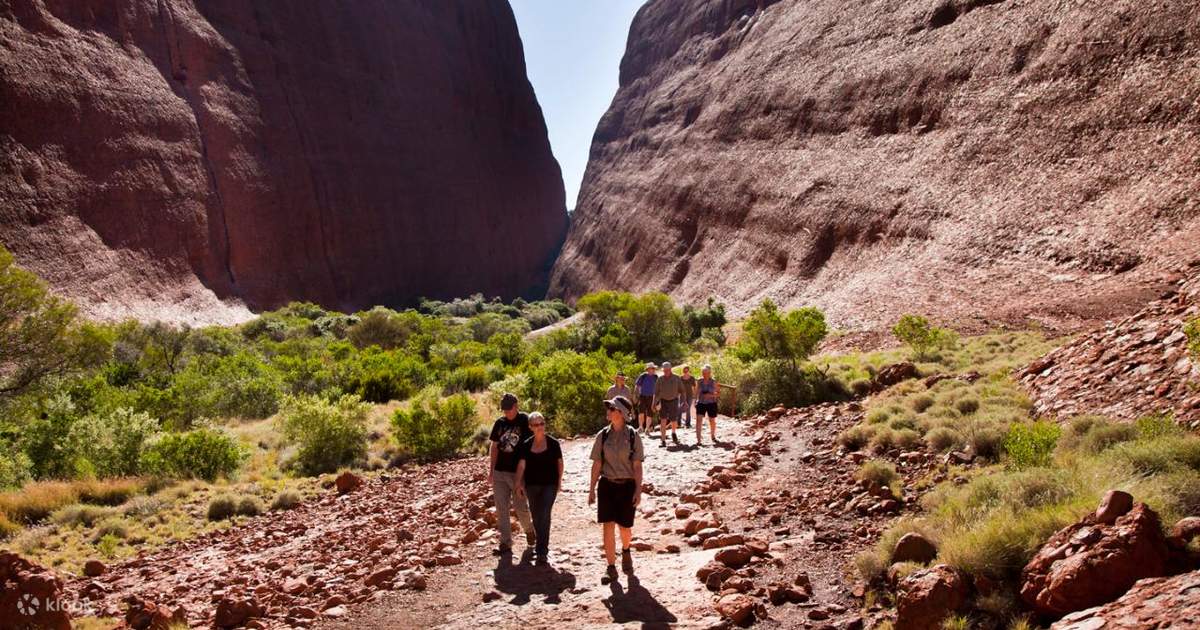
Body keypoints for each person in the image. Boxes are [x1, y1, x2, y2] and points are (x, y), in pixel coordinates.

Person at [588, 395, 645, 583]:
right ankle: (611, 567)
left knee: (625, 528)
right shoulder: (602, 435)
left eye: (612, 409)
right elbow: (597, 464)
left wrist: (638, 490)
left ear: (620, 413)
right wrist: (591, 489)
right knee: (608, 525)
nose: (608, 411)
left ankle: (626, 549)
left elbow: (637, 466)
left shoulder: (632, 435)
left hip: (627, 486)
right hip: (607, 485)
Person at [488, 393, 534, 554]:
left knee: (521, 507)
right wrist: (491, 470)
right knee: (501, 508)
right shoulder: (499, 423)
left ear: (516, 406)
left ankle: (529, 531)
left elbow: (532, 446)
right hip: (500, 472)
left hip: (518, 473)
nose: (506, 413)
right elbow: (494, 447)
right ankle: (505, 543)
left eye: (509, 409)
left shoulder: (525, 421)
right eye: (504, 410)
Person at [515, 412, 563, 566]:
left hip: (550, 484)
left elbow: (560, 463)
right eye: (536, 425)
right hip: (532, 485)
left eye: (542, 423)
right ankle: (539, 544)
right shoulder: (526, 444)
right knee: (536, 516)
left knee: (544, 513)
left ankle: (542, 550)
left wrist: (559, 481)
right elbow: (521, 465)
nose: (540, 427)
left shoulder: (553, 443)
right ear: (530, 427)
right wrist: (518, 484)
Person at [654, 361, 685, 447]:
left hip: (674, 401)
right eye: (664, 370)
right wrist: (653, 404)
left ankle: (673, 433)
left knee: (673, 420)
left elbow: (682, 390)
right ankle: (663, 440)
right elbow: (656, 393)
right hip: (663, 401)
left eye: (667, 370)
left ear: (670, 369)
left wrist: (684, 401)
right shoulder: (660, 379)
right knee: (663, 420)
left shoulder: (676, 378)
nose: (666, 371)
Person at [695, 364, 721, 445]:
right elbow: (697, 391)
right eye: (703, 373)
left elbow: (719, 393)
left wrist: (710, 395)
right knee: (699, 420)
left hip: (711, 403)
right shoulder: (699, 381)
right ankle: (699, 440)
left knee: (712, 420)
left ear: (710, 373)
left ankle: (712, 435)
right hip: (701, 402)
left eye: (706, 373)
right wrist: (696, 400)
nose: (705, 374)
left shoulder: (714, 382)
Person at [633, 363, 658, 434]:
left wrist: (657, 399)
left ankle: (647, 428)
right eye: (651, 368)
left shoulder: (656, 377)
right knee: (641, 412)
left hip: (651, 397)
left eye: (653, 368)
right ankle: (641, 427)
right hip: (642, 396)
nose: (653, 370)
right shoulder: (643, 376)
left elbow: (658, 388)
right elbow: (637, 386)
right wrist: (635, 395)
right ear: (648, 369)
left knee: (650, 413)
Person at [679, 365, 697, 430]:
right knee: (680, 408)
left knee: (688, 409)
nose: (686, 372)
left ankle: (688, 423)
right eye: (684, 370)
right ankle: (678, 423)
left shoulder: (692, 378)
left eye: (687, 370)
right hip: (682, 395)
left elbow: (694, 387)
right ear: (683, 371)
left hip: (690, 395)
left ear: (688, 370)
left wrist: (695, 395)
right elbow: (678, 387)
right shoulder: (680, 378)